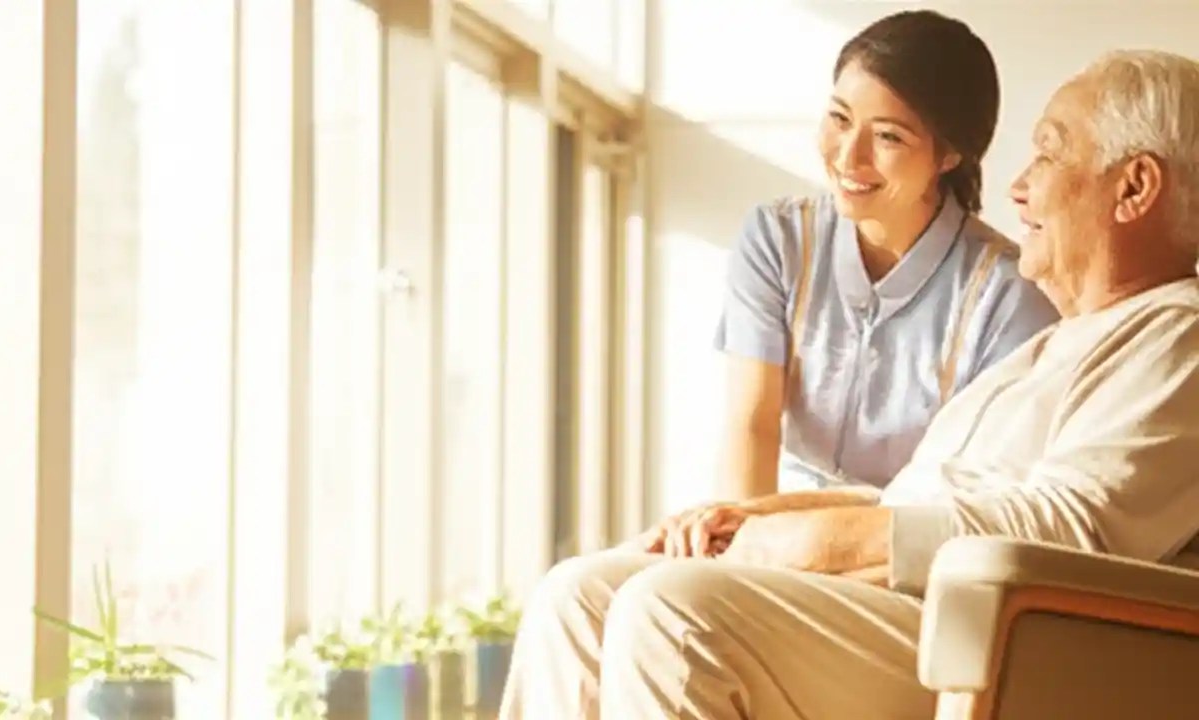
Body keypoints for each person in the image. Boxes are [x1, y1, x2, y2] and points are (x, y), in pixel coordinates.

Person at [501, 48, 1199, 719]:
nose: (1018, 187)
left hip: (994, 637)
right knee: (578, 595)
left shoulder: (1177, 335)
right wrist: (762, 518)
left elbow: (1070, 532)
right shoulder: (1051, 346)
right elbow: (919, 497)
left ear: (1134, 187)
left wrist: (822, 544)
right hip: (922, 606)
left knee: (675, 614)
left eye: (1049, 153)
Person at [657, 10, 1058, 558]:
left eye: (889, 136)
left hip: (890, 558)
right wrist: (734, 554)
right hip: (766, 530)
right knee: (578, 591)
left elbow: (975, 489)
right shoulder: (777, 239)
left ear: (950, 153)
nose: (849, 157)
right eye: (840, 119)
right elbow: (753, 425)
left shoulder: (1009, 297)